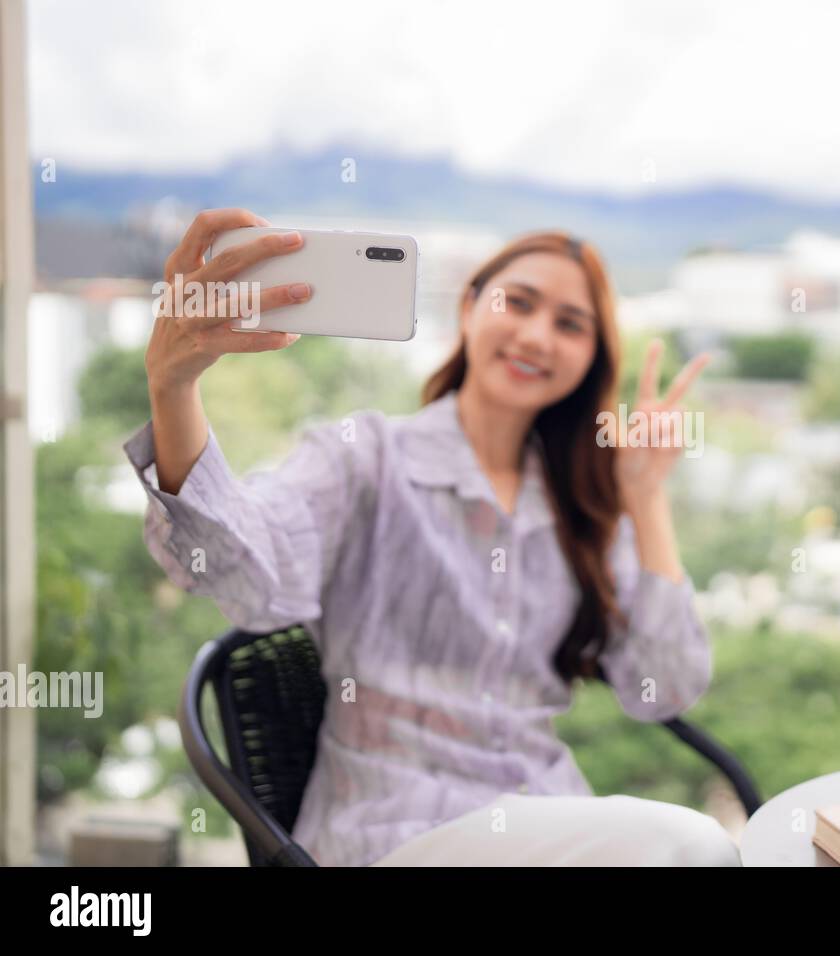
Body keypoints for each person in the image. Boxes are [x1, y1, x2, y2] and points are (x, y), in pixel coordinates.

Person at [124, 208, 739, 867]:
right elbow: (236, 568)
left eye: (569, 324)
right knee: (691, 845)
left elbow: (663, 687)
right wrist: (174, 386)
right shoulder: (367, 461)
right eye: (519, 303)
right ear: (469, 307)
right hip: (395, 832)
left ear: (591, 358)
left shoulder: (579, 508)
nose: (537, 336)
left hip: (547, 823)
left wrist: (644, 498)